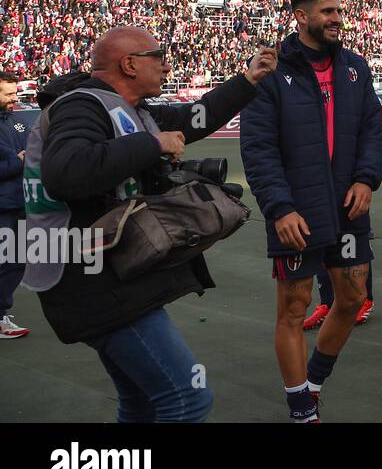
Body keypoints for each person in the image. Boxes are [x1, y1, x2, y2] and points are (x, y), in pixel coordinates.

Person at [38, 27, 275, 421]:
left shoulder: (131, 111)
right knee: (188, 397)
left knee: (141, 402)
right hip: (93, 282)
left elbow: (192, 118)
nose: (167, 65)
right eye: (158, 55)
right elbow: (66, 171)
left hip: (104, 277)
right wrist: (154, 144)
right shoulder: (81, 107)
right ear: (129, 64)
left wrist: (247, 80)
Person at [240, 0, 382, 423]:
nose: (336, 19)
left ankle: (314, 381)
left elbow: (371, 130)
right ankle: (301, 406)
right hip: (296, 211)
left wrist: (366, 180)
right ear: (301, 17)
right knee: (293, 306)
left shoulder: (356, 68)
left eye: (339, 11)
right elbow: (258, 147)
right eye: (327, 11)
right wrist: (280, 208)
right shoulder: (271, 73)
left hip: (348, 207)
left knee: (352, 297)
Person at [0, 71, 30, 338]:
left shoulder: (18, 121)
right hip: (2, 206)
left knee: (17, 260)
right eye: (8, 93)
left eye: (14, 92)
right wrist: (18, 162)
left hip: (20, 202)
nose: (14, 97)